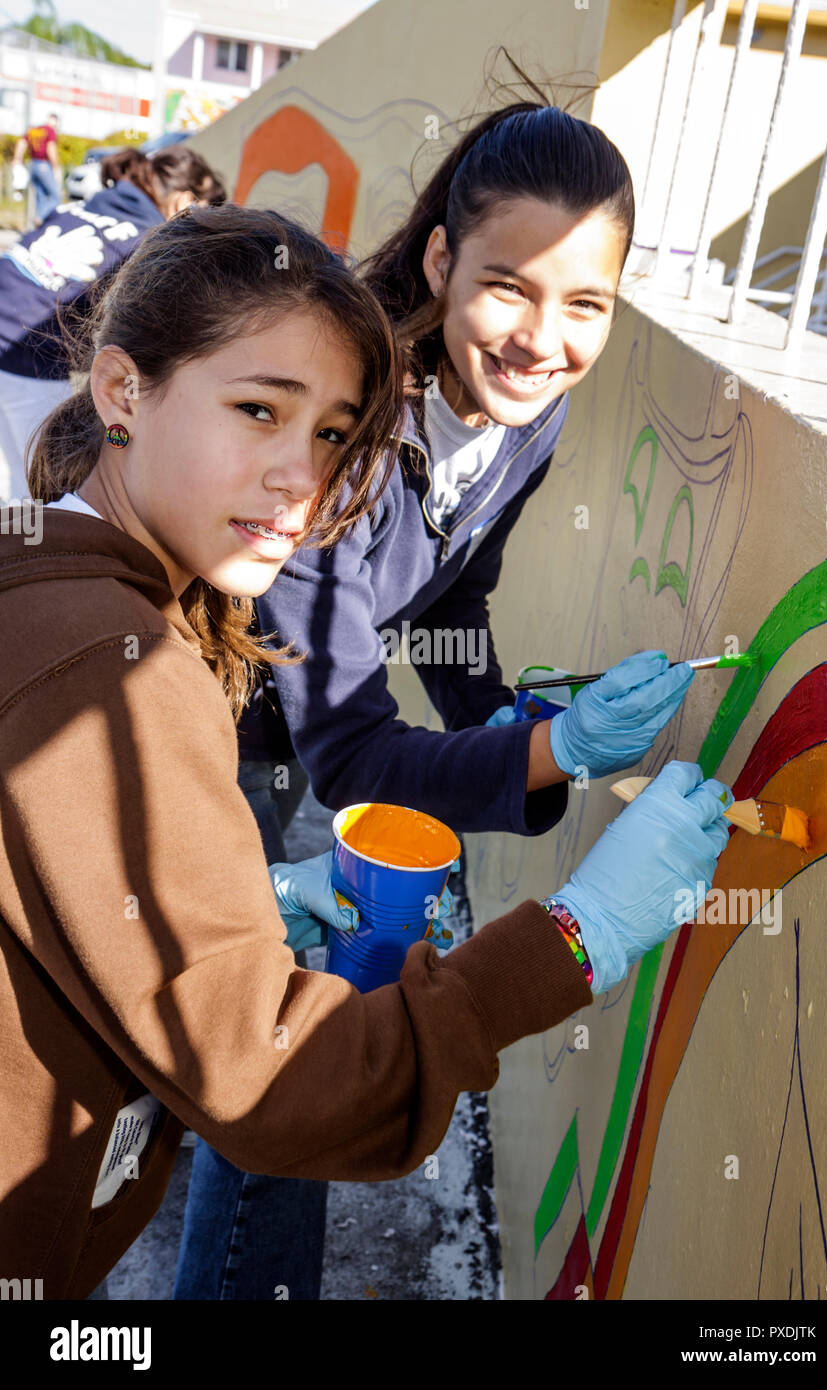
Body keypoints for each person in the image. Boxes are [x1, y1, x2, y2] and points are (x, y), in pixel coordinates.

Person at [0, 202, 733, 1300]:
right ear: (121, 393)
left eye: (335, 434)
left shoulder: (62, 599)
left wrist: (239, 894)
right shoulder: (120, 670)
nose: (302, 477)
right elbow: (273, 1089)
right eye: (258, 409)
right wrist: (576, 936)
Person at [175, 99, 709, 1299]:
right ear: (437, 261)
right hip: (198, 714)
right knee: (266, 1051)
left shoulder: (531, 410)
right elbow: (358, 755)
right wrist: (546, 757)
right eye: (507, 288)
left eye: (586, 305)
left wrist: (520, 724)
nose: (541, 340)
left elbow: (456, 603)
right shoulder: (337, 432)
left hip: (297, 717)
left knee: (280, 1024)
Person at [0, 144, 225, 504]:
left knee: (23, 478)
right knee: (46, 484)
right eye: (204, 213)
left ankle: (18, 543)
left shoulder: (92, 204)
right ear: (184, 201)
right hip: (28, 355)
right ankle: (35, 554)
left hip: (12, 335)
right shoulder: (151, 240)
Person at [12, 113, 62, 225]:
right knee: (56, 196)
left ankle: (39, 225)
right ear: (55, 121)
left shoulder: (35, 130)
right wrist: (56, 167)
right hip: (43, 165)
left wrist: (17, 158)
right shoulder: (50, 130)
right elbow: (51, 149)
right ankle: (40, 217)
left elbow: (22, 142)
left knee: (41, 196)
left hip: (32, 164)